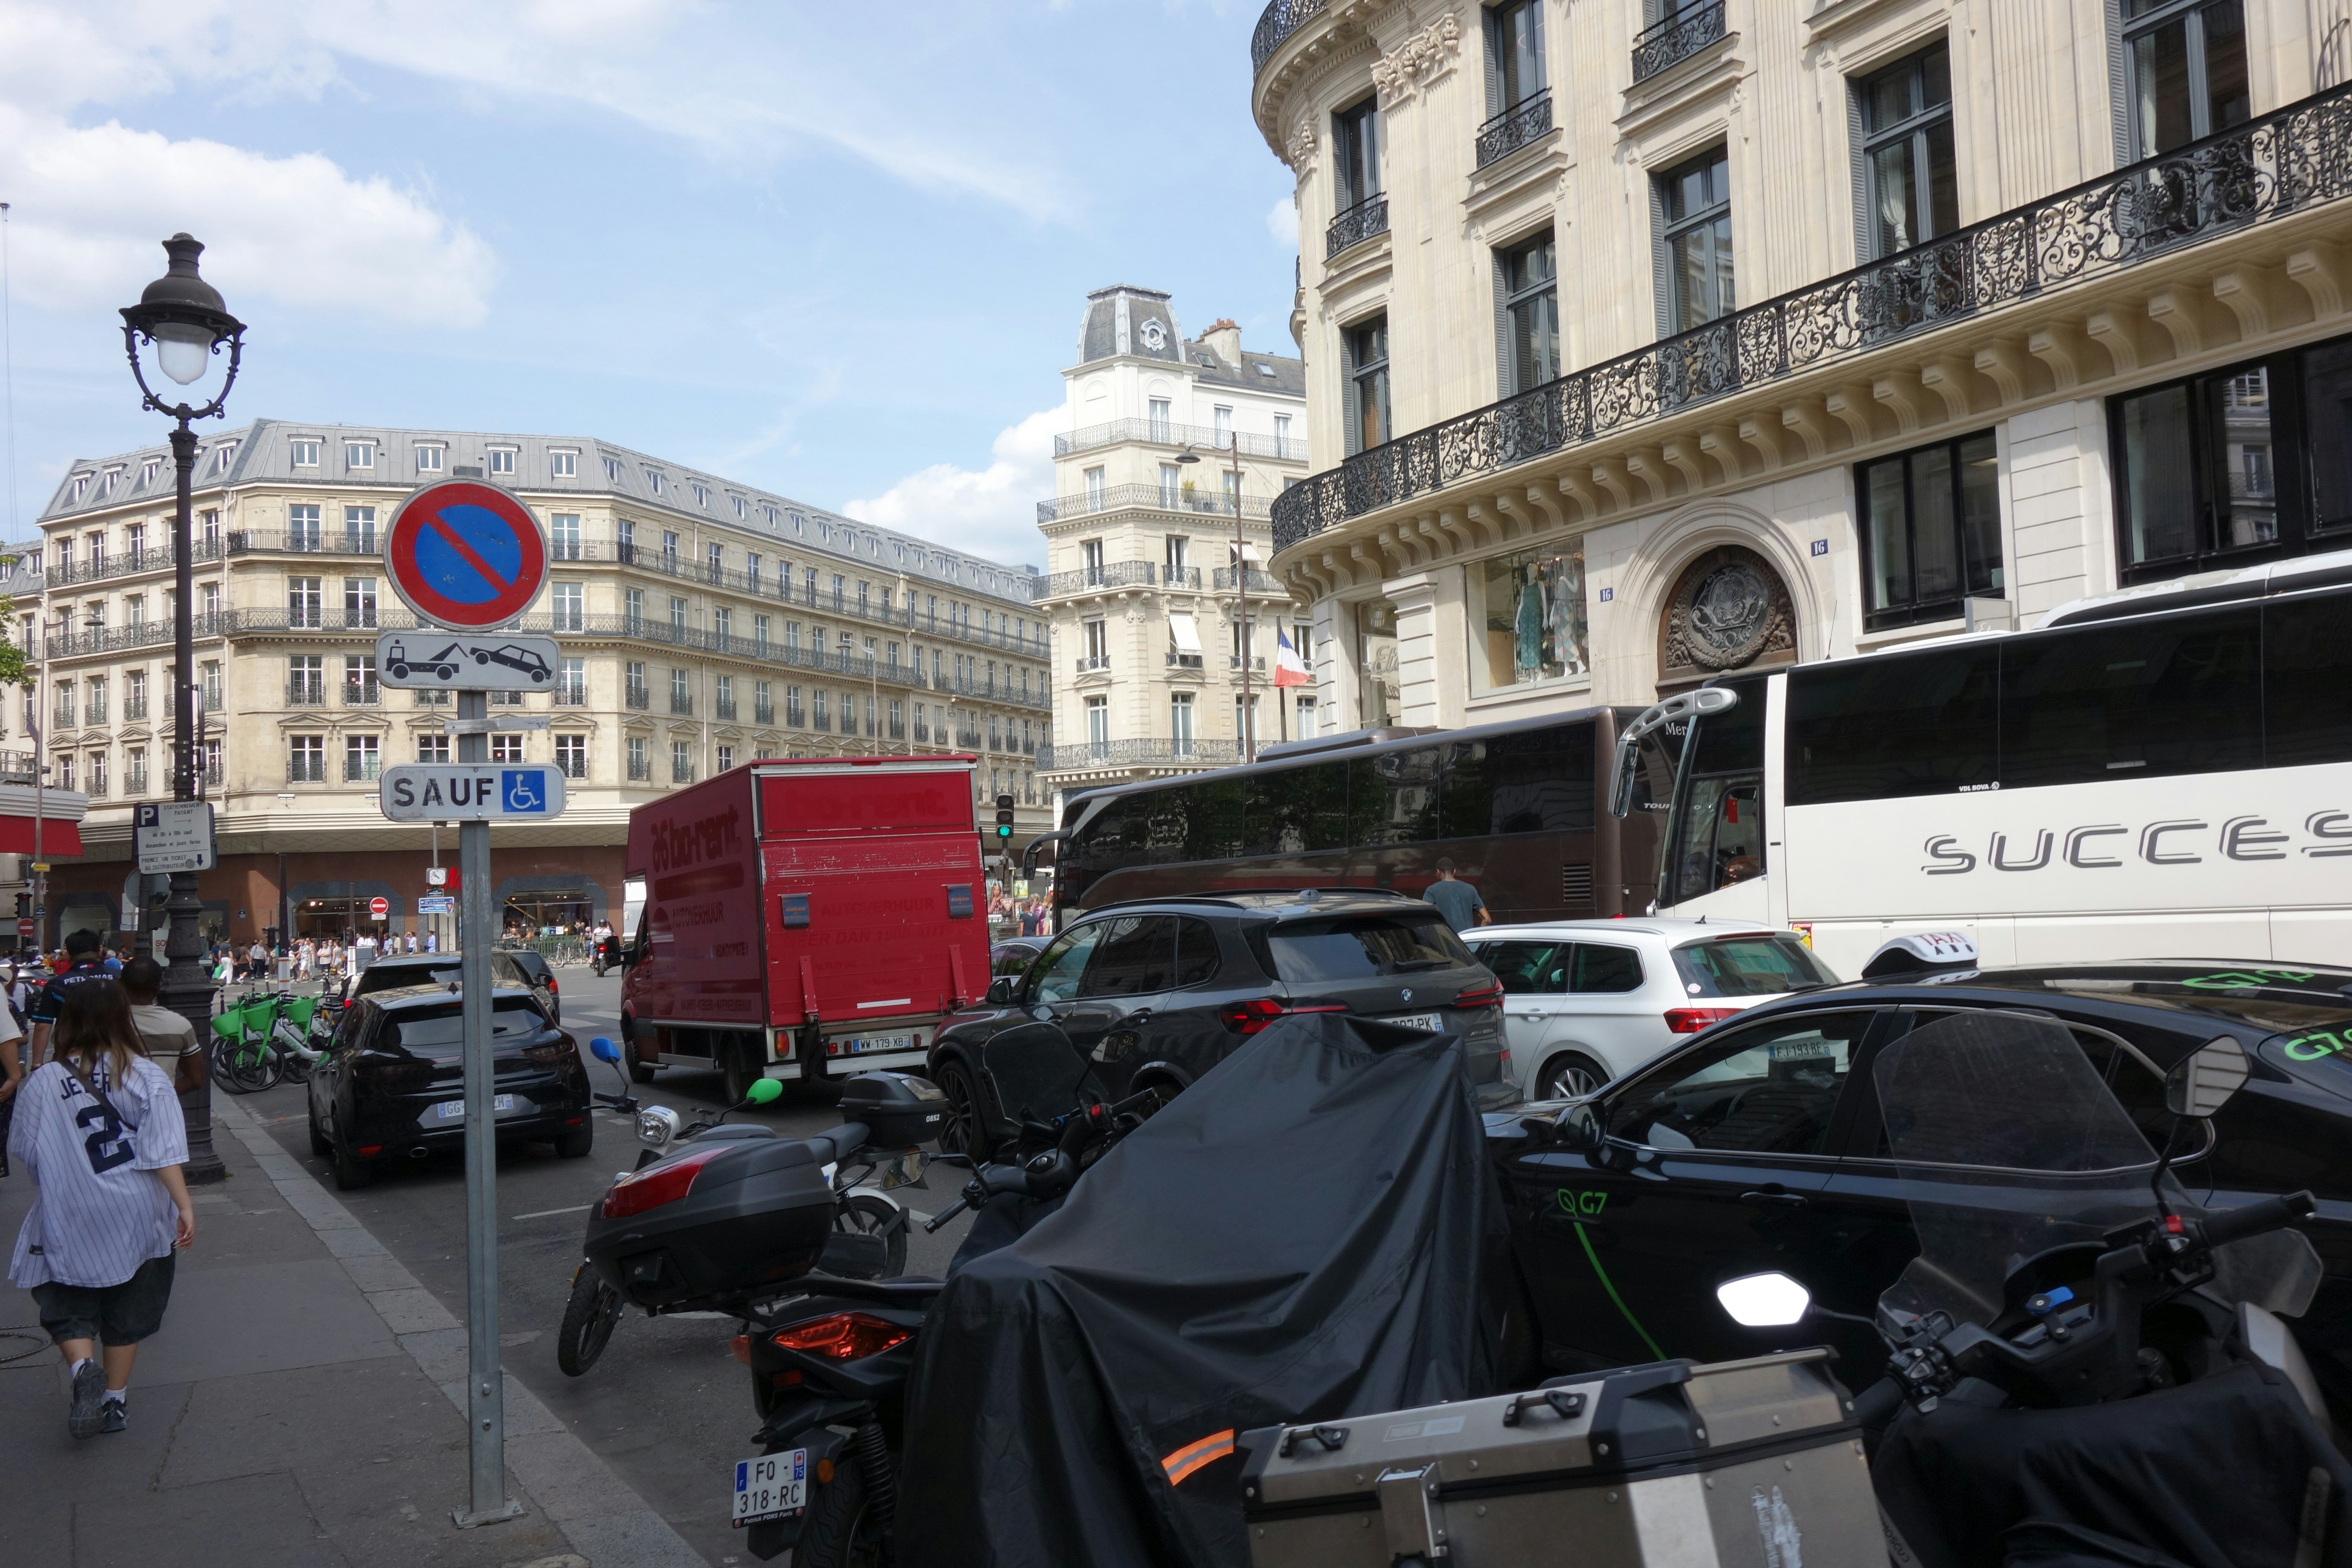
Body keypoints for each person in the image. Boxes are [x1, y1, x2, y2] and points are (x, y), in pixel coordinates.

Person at [8, 977, 195, 1437]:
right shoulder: (146, 1075)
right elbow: (163, 1151)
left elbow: (26, 1149)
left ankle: (80, 1371)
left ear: (68, 1019)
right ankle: (114, 1403)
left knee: (67, 1301)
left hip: (70, 1205)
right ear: (122, 1017)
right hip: (139, 1210)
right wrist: (184, 1207)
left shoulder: (43, 1082)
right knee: (130, 1308)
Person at [119, 958, 203, 1096]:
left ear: (120, 984)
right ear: (159, 986)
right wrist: (160, 1096)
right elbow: (196, 1080)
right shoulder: (180, 1026)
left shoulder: (106, 1024)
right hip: (162, 1113)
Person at [1421, 858, 1491, 932]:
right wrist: (1476, 937)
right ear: (1454, 871)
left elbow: (1425, 918)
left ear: (1438, 872)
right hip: (1466, 941)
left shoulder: (1432, 891)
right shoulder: (1470, 889)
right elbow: (1487, 919)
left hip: (1446, 941)